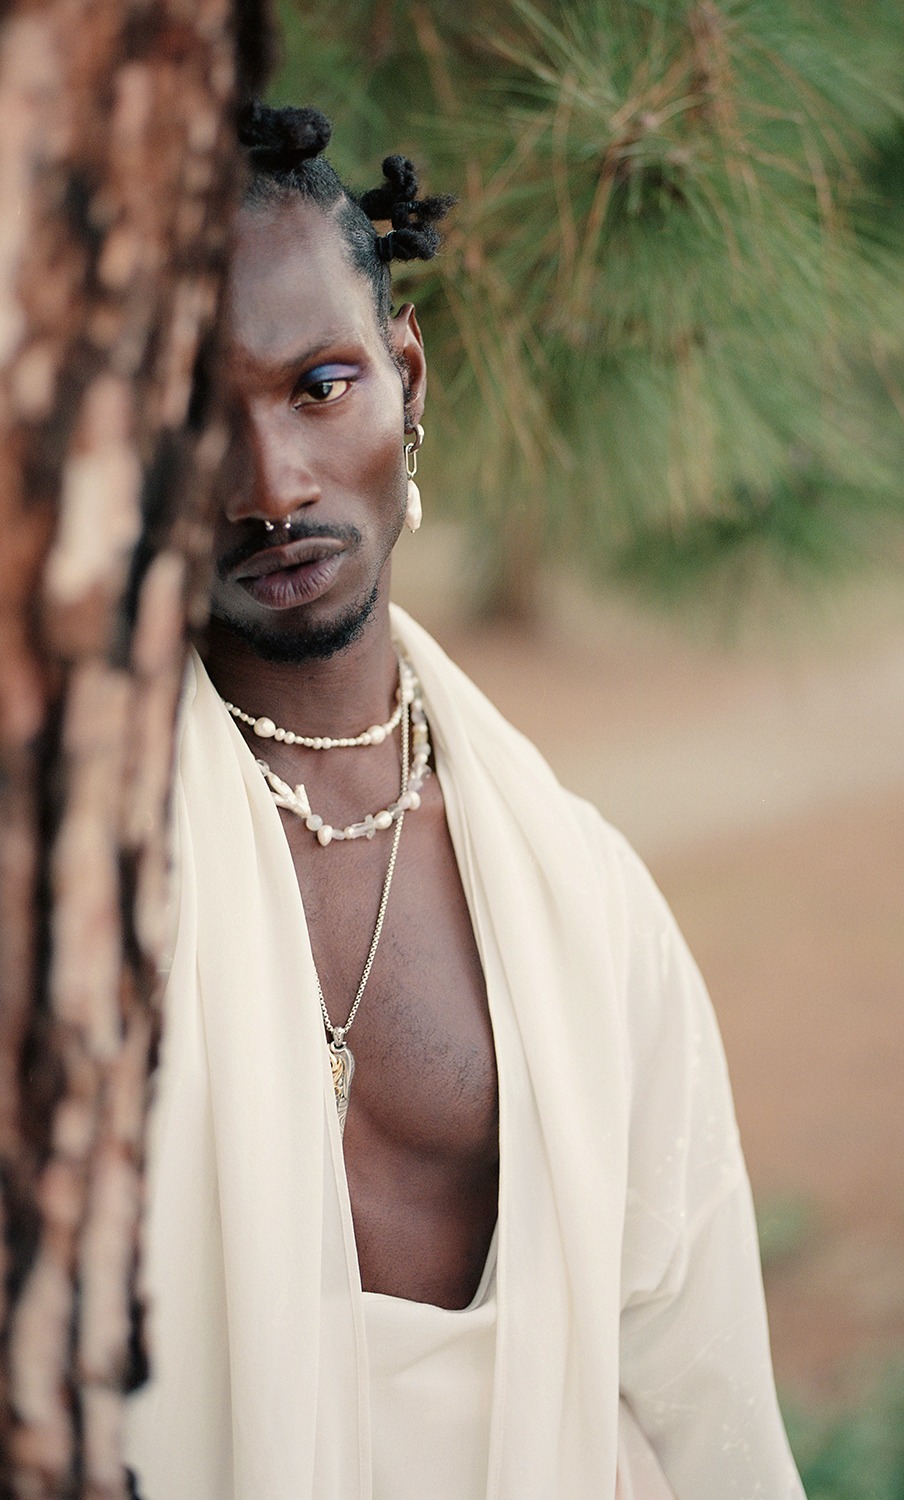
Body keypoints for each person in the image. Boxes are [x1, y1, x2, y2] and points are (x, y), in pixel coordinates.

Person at [122, 102, 805, 1500]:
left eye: (320, 385)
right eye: (191, 419)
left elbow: (704, 1388)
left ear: (407, 375)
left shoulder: (581, 897)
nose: (271, 484)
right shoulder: (52, 885)